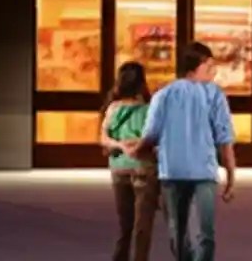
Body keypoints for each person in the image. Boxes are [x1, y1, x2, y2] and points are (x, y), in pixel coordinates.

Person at [128, 42, 236, 261]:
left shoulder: (163, 95)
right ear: (198, 66)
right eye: (210, 66)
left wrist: (135, 151)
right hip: (204, 171)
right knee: (206, 232)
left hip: (172, 171)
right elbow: (224, 139)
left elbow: (150, 135)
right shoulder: (214, 95)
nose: (214, 72)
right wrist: (231, 175)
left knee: (177, 229)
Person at [101, 61, 160, 261]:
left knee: (124, 226)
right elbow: (153, 139)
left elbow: (103, 139)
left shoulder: (113, 108)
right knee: (142, 227)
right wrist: (137, 146)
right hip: (143, 169)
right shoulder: (149, 110)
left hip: (119, 169)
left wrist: (120, 145)